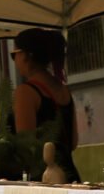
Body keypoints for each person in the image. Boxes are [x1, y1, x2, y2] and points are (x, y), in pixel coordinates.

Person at [11, 28, 81, 183]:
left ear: (26, 55)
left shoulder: (26, 92)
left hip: (43, 179)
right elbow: (73, 142)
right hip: (70, 176)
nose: (14, 60)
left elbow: (25, 145)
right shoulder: (64, 90)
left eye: (14, 54)